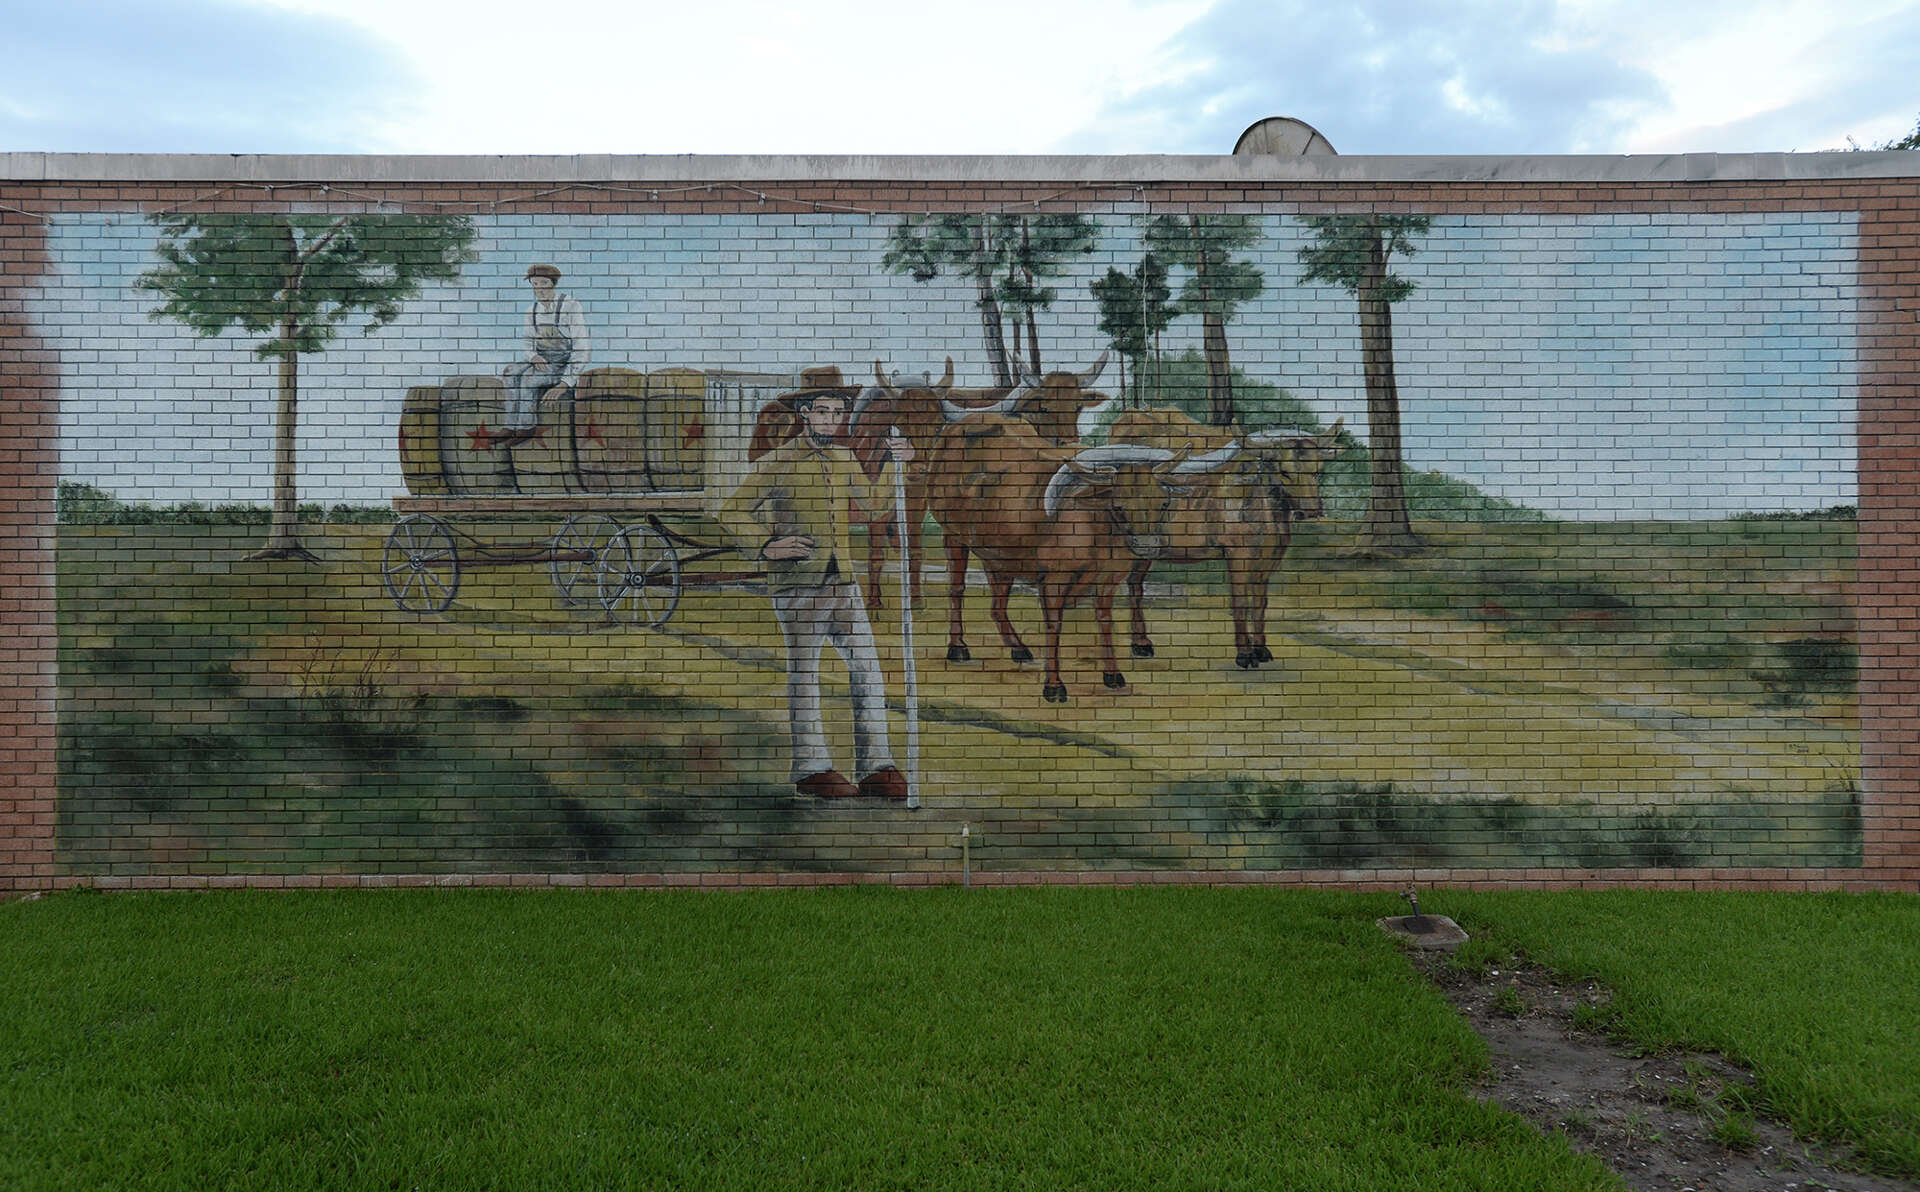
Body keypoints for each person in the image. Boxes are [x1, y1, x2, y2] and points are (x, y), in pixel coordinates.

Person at [717, 367, 915, 801]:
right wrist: (767, 545)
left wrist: (893, 464)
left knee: (868, 671)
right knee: (805, 673)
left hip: (843, 582)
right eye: (822, 411)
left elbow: (873, 504)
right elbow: (731, 511)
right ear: (804, 413)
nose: (831, 420)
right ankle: (811, 767)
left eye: (837, 413)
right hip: (798, 584)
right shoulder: (777, 462)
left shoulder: (844, 459)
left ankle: (876, 766)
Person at [497, 264, 589, 446]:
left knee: (528, 379)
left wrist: (565, 383)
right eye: (535, 284)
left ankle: (526, 427)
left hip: (561, 364)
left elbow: (582, 348)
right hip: (542, 360)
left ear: (553, 284)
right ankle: (510, 426)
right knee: (510, 372)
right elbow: (527, 342)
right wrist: (532, 356)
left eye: (544, 283)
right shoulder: (532, 311)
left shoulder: (570, 306)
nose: (539, 289)